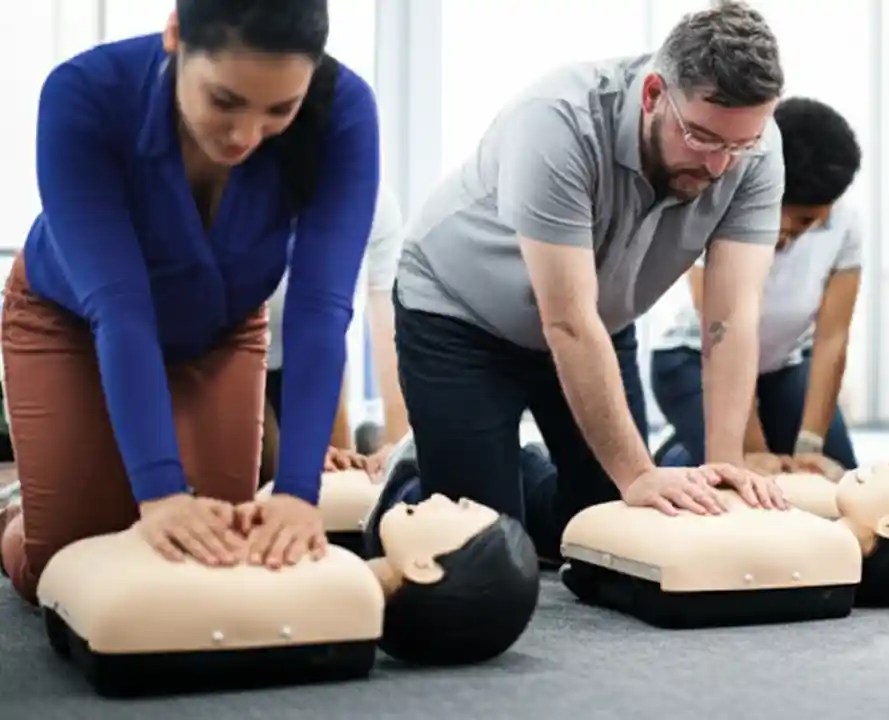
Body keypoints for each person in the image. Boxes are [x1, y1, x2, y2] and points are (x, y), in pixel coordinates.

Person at [0, 0, 380, 605]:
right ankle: (19, 510)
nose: (245, 136)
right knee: (70, 565)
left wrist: (296, 493)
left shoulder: (345, 111)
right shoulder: (82, 94)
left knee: (213, 556)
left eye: (280, 110)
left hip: (221, 328)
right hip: (70, 322)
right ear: (175, 33)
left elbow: (320, 309)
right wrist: (160, 492)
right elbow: (120, 308)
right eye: (225, 101)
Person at [392, 1, 790, 550]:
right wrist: (637, 473)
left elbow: (730, 316)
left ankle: (519, 470)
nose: (720, 165)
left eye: (738, 145)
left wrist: (724, 463)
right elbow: (567, 319)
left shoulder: (756, 153)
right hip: (461, 317)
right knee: (485, 546)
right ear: (654, 95)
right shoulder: (557, 118)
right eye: (701, 137)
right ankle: (413, 484)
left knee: (608, 534)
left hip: (597, 322)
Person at [650, 96, 864, 476]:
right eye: (796, 219)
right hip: (694, 360)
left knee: (835, 478)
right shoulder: (716, 207)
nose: (803, 231)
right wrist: (751, 449)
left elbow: (832, 338)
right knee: (743, 476)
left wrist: (809, 445)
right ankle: (676, 456)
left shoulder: (842, 223)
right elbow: (724, 334)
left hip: (781, 366)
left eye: (815, 220)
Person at [259, 181, 410, 484]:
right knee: (273, 479)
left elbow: (391, 334)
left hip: (314, 354)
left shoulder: (375, 203)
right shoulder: (251, 197)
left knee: (339, 484)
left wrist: (402, 449)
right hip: (224, 352)